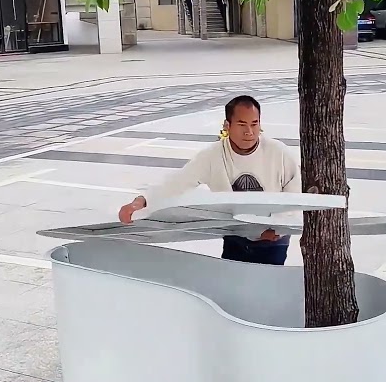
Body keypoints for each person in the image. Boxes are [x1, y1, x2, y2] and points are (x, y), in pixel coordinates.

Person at [118, 95, 302, 265]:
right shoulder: (212, 156)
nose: (249, 132)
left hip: (273, 241)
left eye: (254, 124)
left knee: (267, 288)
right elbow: (178, 182)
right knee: (232, 285)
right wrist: (141, 201)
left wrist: (278, 227)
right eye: (242, 124)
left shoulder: (279, 153)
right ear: (227, 125)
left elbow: (296, 192)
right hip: (235, 234)